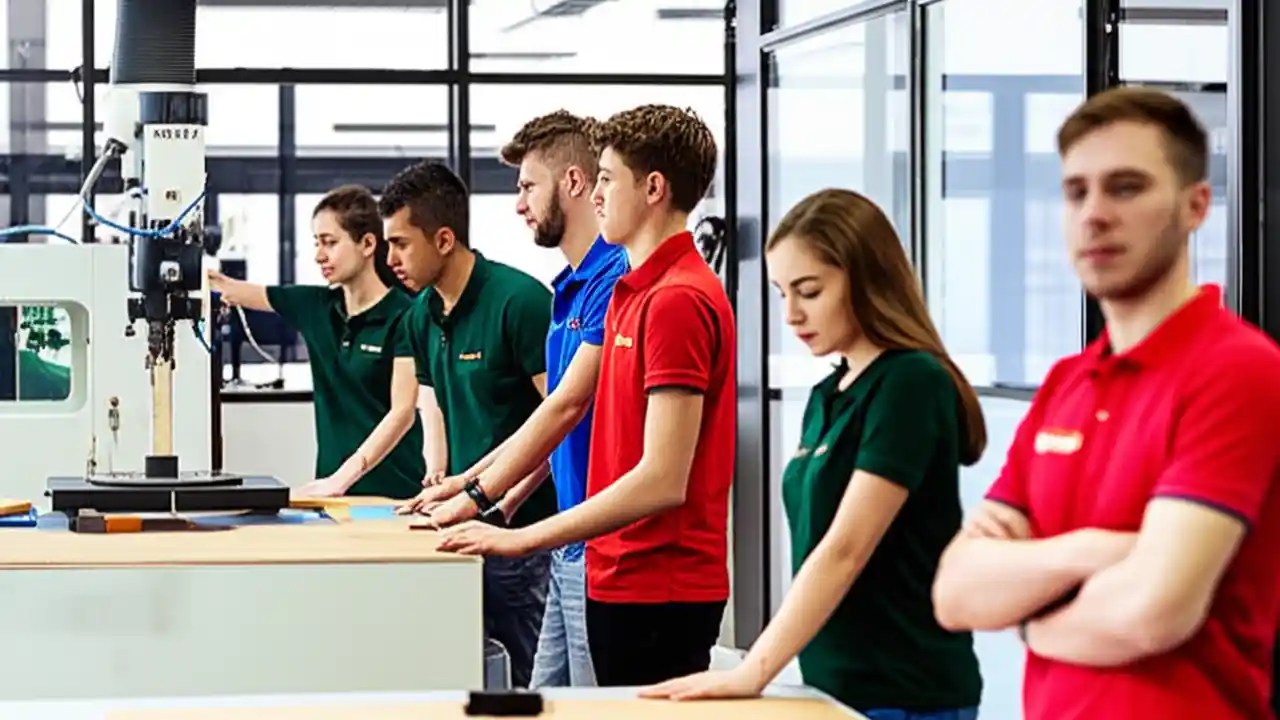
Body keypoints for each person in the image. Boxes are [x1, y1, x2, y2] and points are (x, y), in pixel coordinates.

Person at [931, 86, 1280, 720]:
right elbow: (956, 593)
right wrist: (1098, 548)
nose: (1094, 213)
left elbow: (1153, 611)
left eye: (1125, 188)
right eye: (1076, 192)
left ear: (1196, 205)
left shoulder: (1238, 370)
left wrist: (1032, 622)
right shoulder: (1068, 382)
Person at [642, 188, 985, 719]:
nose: (791, 314)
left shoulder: (911, 383)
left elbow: (845, 548)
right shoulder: (829, 395)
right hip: (832, 685)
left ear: (866, 278)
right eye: (781, 293)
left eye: (809, 291)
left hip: (907, 691)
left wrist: (754, 671)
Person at [436, 104, 737, 688]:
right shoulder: (630, 292)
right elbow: (566, 416)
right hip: (610, 566)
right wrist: (476, 494)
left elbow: (662, 478)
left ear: (653, 188)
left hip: (657, 584)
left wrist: (516, 533)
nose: (595, 195)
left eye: (606, 178)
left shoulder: (677, 300)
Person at [398, 111, 628, 688]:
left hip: (592, 546)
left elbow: (562, 410)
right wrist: (459, 486)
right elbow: (551, 432)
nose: (519, 203)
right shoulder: (566, 289)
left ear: (572, 183)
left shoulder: (613, 280)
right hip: (568, 547)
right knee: (538, 698)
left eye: (528, 186)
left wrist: (479, 496)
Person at [379, 159, 558, 689]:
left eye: (400, 244)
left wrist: (503, 502)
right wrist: (437, 475)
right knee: (471, 673)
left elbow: (564, 421)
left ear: (444, 238)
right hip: (464, 522)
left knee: (530, 682)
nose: (390, 261)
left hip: (527, 533)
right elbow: (430, 401)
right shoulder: (420, 313)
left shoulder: (521, 303)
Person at [207, 184, 425, 500]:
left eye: (330, 243)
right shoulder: (316, 306)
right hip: (332, 497)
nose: (319, 255)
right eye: (316, 243)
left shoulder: (406, 316)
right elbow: (234, 290)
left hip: (393, 494)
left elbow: (403, 412)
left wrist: (343, 477)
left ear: (367, 244)